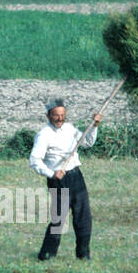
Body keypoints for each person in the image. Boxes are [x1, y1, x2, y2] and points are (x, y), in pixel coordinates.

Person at [29, 98, 102, 261]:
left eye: (62, 115)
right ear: (48, 116)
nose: (60, 118)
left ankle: (83, 255)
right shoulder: (43, 135)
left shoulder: (70, 129)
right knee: (58, 221)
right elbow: (34, 160)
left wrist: (95, 126)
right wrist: (51, 173)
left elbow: (88, 143)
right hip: (58, 180)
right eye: (56, 115)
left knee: (83, 217)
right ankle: (46, 255)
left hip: (76, 176)